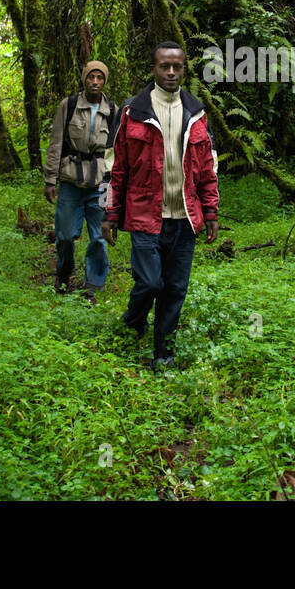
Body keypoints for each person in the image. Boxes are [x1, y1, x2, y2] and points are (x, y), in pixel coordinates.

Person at [103, 42, 219, 370]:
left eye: (177, 67)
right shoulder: (132, 112)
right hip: (144, 215)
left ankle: (163, 354)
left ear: (184, 69)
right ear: (153, 69)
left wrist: (210, 212)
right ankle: (134, 320)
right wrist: (110, 214)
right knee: (151, 283)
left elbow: (208, 168)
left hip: (184, 217)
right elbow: (116, 167)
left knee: (175, 288)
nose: (171, 72)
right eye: (164, 66)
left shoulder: (197, 113)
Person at [45, 61, 119, 299]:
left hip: (101, 182)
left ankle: (93, 287)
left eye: (99, 78)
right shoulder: (69, 106)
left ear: (105, 81)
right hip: (70, 180)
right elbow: (56, 142)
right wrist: (50, 179)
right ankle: (64, 273)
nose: (95, 82)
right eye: (91, 77)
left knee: (99, 236)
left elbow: (116, 151)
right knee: (65, 235)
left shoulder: (113, 110)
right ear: (84, 79)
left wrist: (115, 186)